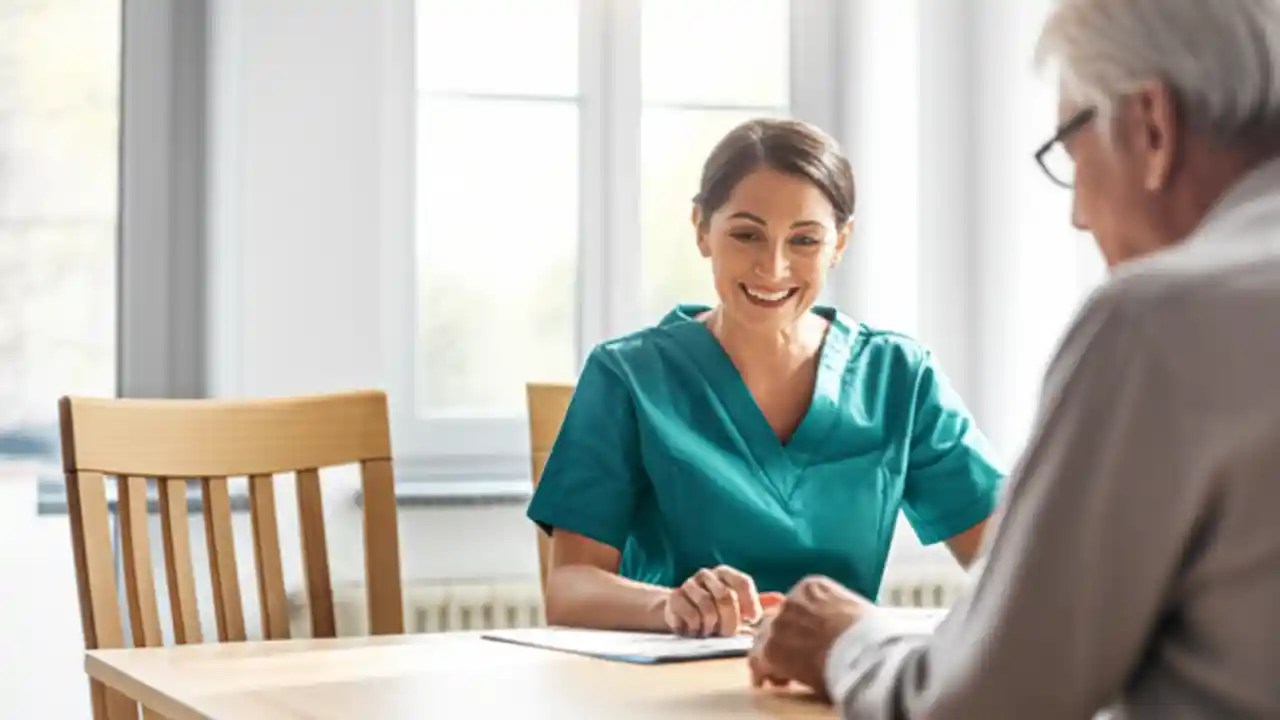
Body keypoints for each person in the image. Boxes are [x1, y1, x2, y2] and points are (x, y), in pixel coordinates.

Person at [749, 0, 1280, 717]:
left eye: (1071, 149)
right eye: (748, 234)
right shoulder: (633, 370)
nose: (1079, 216)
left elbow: (991, 695)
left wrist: (850, 641)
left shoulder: (1156, 320)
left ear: (1152, 126)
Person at [526, 118, 1005, 638]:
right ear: (701, 230)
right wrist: (671, 606)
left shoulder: (898, 378)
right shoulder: (626, 376)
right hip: (671, 692)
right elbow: (570, 587)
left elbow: (1013, 559)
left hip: (832, 690)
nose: (772, 267)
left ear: (840, 243)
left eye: (804, 240)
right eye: (747, 235)